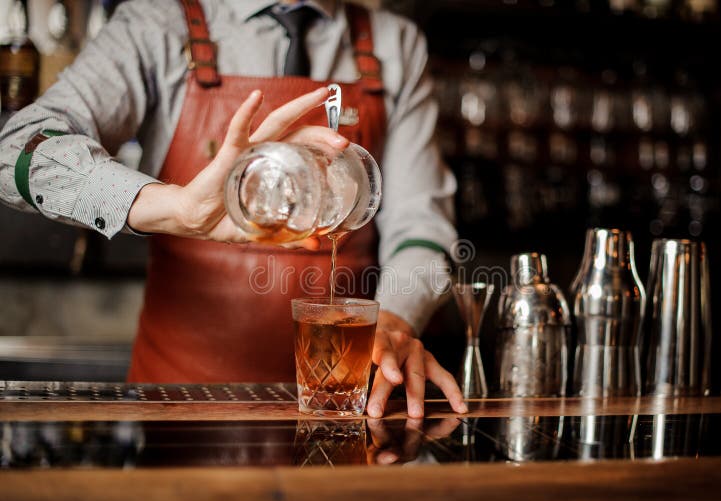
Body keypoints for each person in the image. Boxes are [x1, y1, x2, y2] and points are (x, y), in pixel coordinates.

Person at [0, 0, 466, 418]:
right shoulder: (157, 22)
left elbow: (422, 228)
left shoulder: (395, 44)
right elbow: (15, 149)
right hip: (180, 406)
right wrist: (173, 208)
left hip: (345, 409)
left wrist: (393, 322)